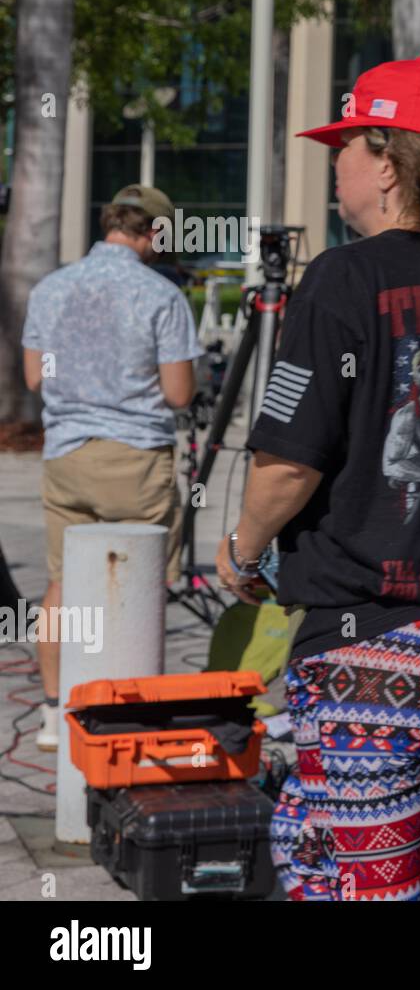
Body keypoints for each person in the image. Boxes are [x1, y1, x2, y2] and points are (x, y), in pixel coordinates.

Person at [214, 57, 420, 901]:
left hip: (370, 646)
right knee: (307, 845)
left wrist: (242, 550)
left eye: (344, 148)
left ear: (386, 163)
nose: (336, 168)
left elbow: (287, 462)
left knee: (371, 888)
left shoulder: (344, 277)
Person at [21, 184, 200, 751]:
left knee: (60, 583)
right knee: (143, 582)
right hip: (136, 457)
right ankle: (132, 712)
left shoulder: (52, 288)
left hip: (67, 454)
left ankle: (54, 710)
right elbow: (178, 394)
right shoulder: (160, 295)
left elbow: (34, 378)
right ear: (154, 233)